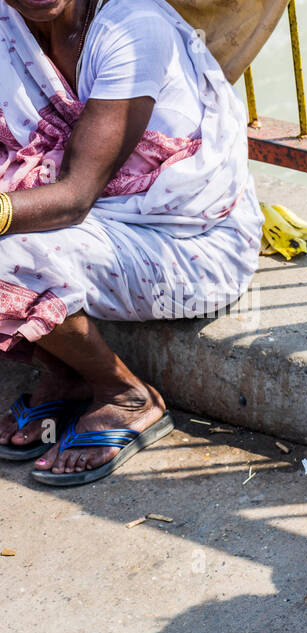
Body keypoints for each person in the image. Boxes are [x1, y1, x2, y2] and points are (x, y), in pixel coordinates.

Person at [0, 0, 262, 484]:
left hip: (186, 242)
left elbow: (76, 196)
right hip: (86, 228)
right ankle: (67, 373)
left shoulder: (133, 26)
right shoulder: (9, 25)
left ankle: (124, 396)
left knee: (2, 256)